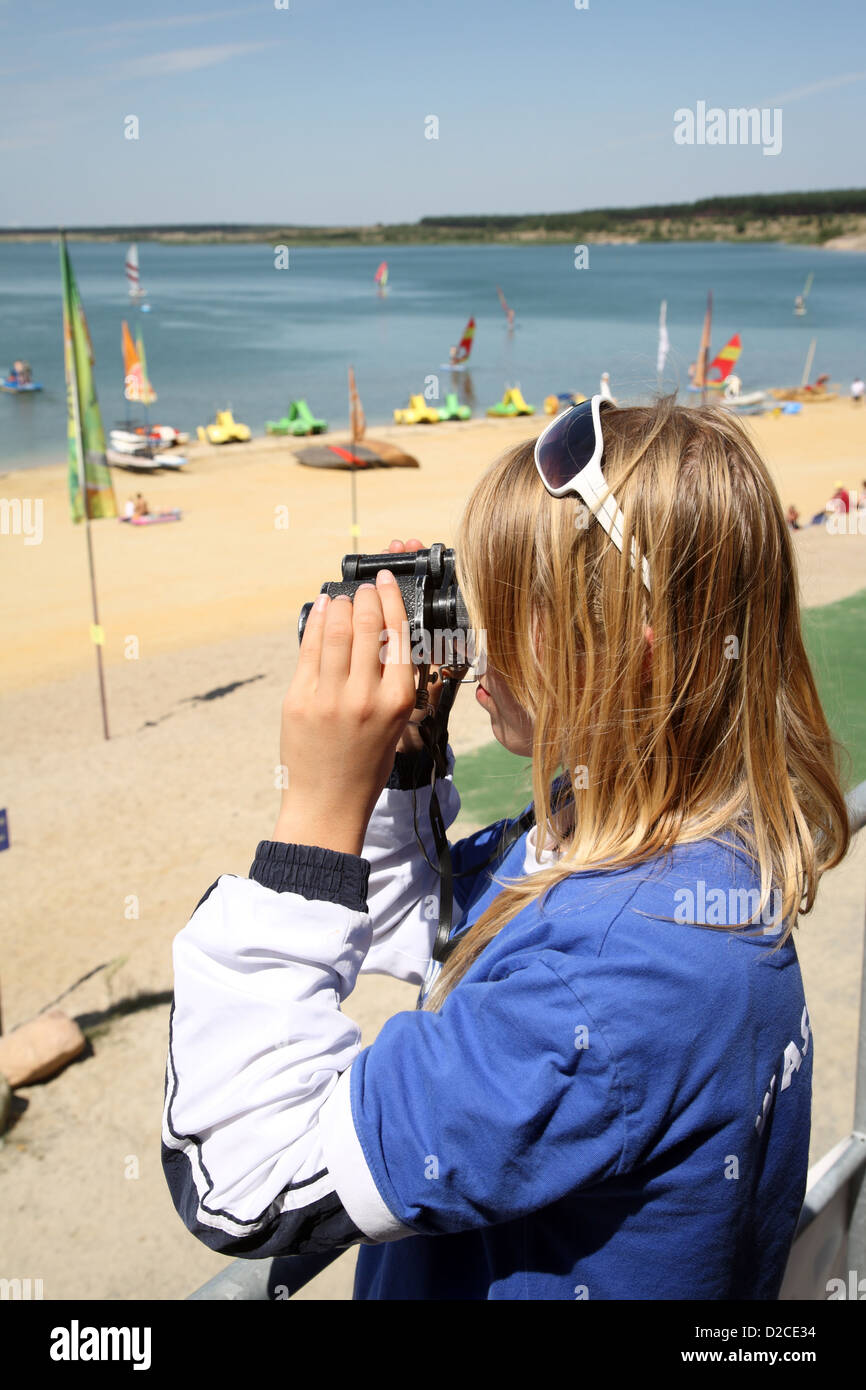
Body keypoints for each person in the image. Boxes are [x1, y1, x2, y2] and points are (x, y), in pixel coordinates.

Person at [162, 396, 849, 1300]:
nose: (473, 638)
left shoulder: (625, 978)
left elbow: (244, 1180)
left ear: (627, 648)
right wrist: (404, 764)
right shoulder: (649, 842)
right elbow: (454, 934)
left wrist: (316, 817)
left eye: (507, 602)